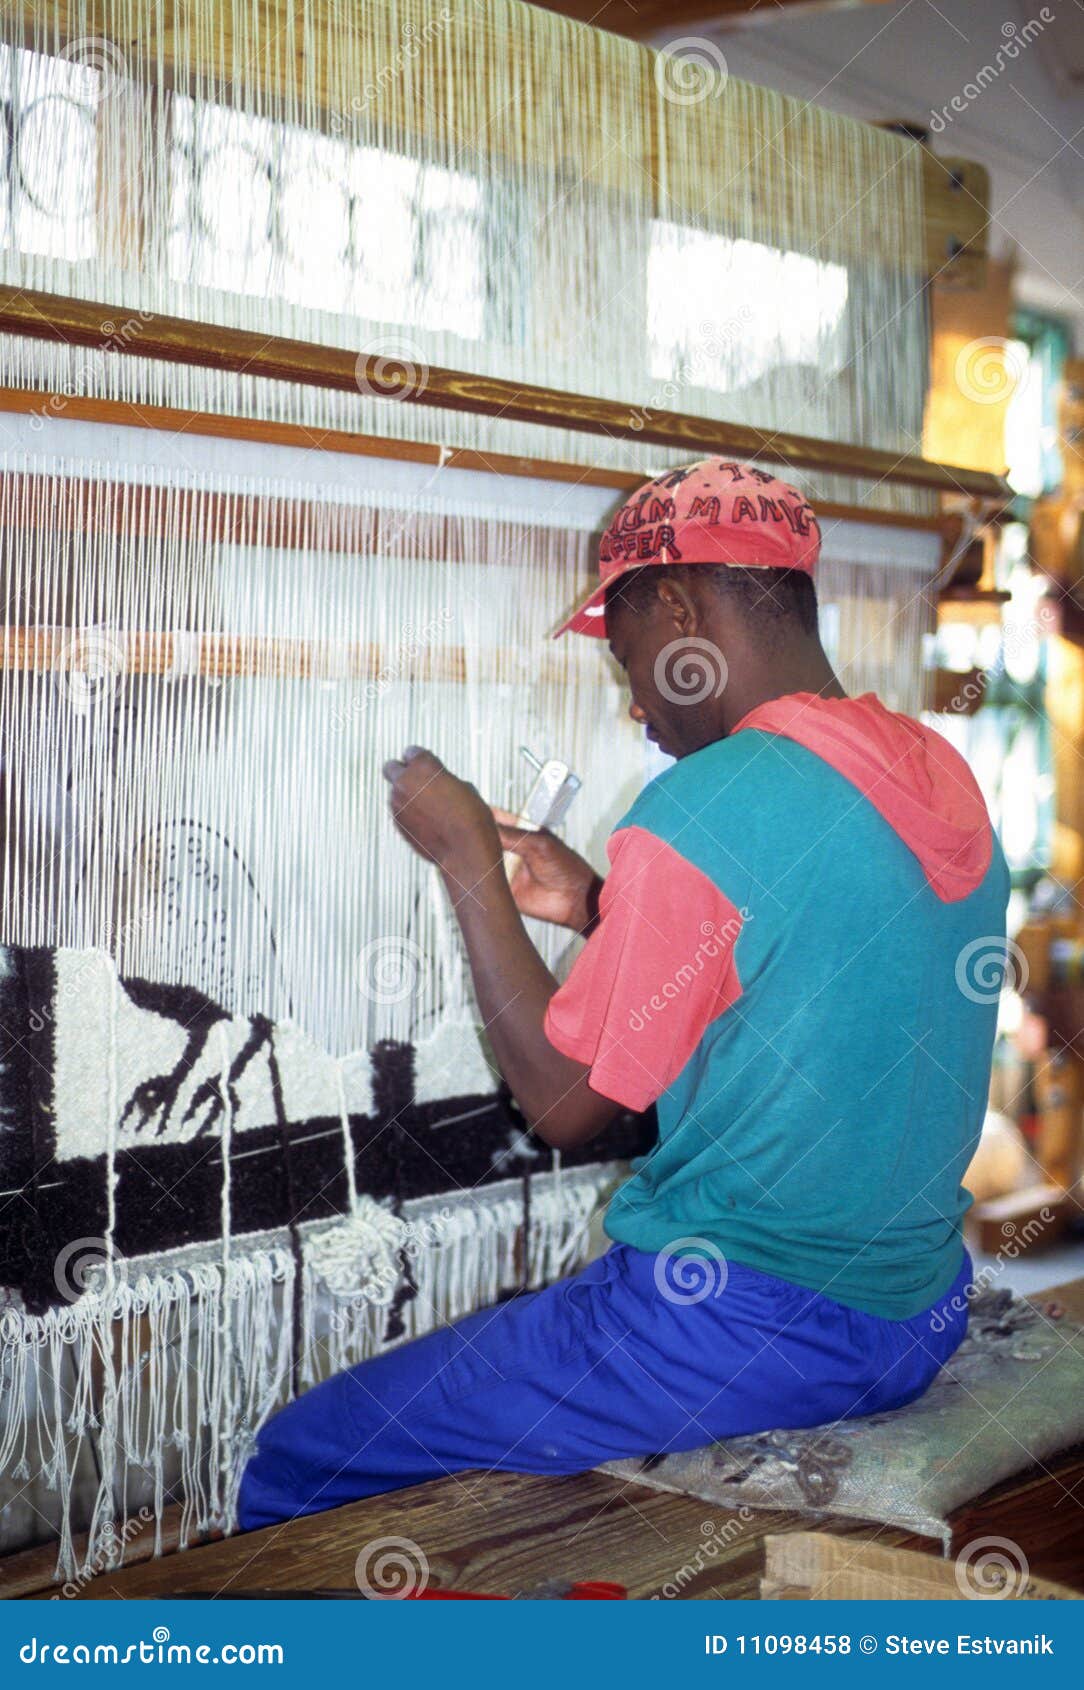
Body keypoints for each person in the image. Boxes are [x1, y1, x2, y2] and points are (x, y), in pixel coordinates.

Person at [238, 458, 1007, 1530]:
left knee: (302, 1455)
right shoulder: (933, 767)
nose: (636, 700)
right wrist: (608, 907)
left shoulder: (701, 804)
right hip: (913, 1311)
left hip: (733, 1329)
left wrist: (467, 864)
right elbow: (814, 955)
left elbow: (565, 1106)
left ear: (679, 608)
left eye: (626, 656)